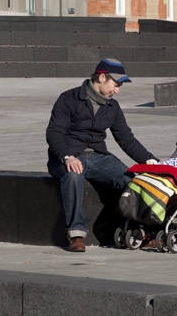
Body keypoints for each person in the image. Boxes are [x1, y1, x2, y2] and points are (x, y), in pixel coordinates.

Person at [46, 57, 158, 252]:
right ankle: (76, 235)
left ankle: (138, 232)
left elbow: (127, 140)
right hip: (67, 155)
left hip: (98, 156)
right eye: (116, 84)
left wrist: (151, 161)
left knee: (132, 182)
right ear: (102, 77)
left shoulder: (112, 107)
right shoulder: (69, 98)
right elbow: (54, 133)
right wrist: (67, 156)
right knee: (73, 175)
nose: (117, 90)